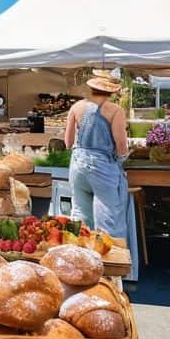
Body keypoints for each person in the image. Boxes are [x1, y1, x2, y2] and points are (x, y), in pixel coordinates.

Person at [64, 71, 129, 240]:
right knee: (108, 217)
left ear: (91, 88)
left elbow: (68, 142)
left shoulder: (76, 107)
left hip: (78, 163)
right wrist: (121, 160)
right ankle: (110, 261)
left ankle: (79, 258)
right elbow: (121, 144)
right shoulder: (115, 110)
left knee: (79, 214)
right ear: (111, 91)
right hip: (102, 165)